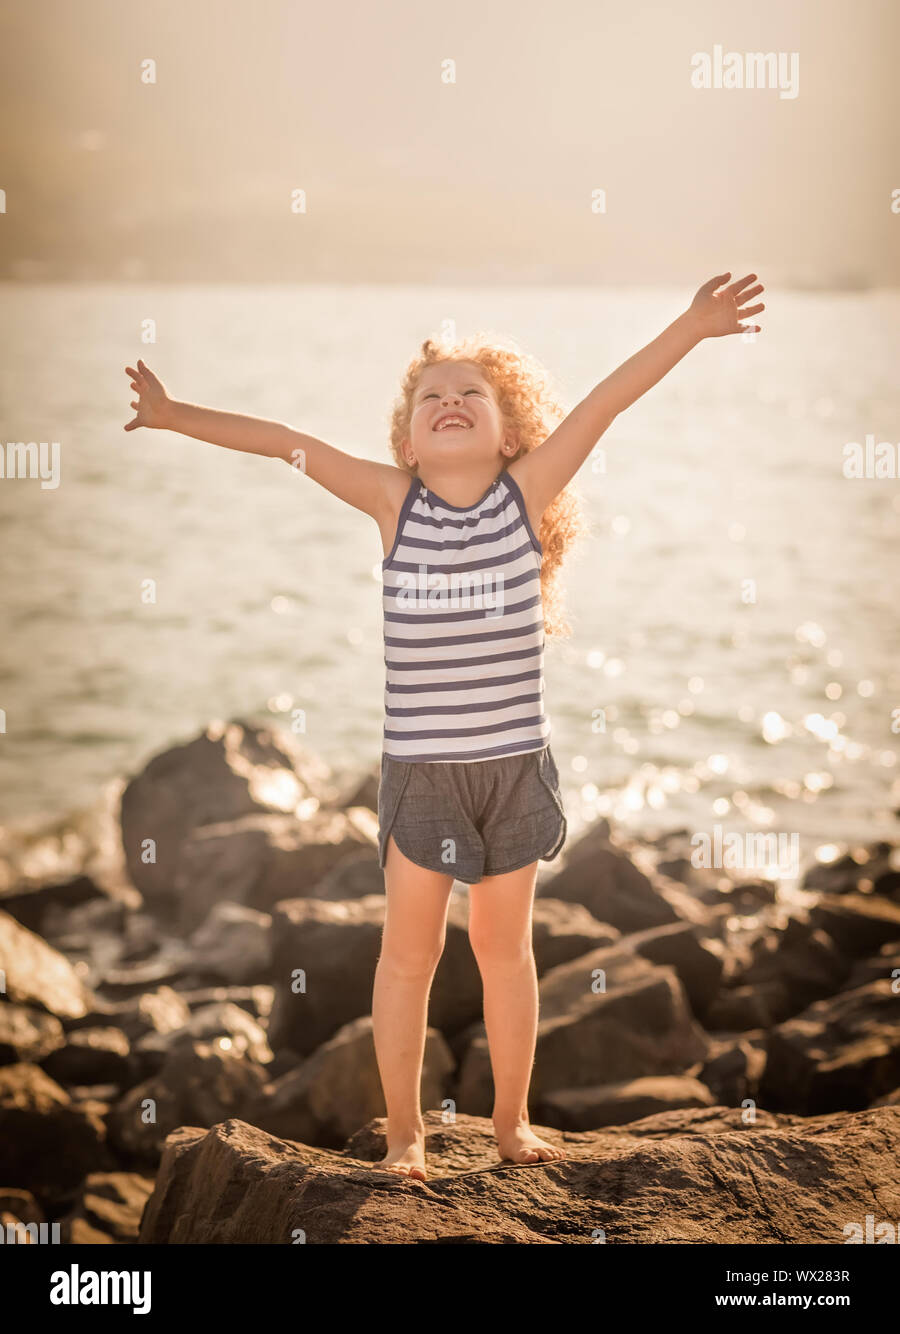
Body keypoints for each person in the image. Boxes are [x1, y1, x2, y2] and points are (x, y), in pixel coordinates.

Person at [124, 271, 765, 1179]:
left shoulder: (526, 493)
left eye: (474, 394)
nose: (453, 402)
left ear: (510, 434)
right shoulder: (394, 501)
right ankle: (405, 1136)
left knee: (507, 952)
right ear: (408, 442)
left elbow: (610, 399)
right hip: (423, 775)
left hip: (511, 771)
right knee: (407, 957)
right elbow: (284, 445)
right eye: (433, 398)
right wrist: (172, 412)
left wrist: (694, 326)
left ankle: (510, 1125)